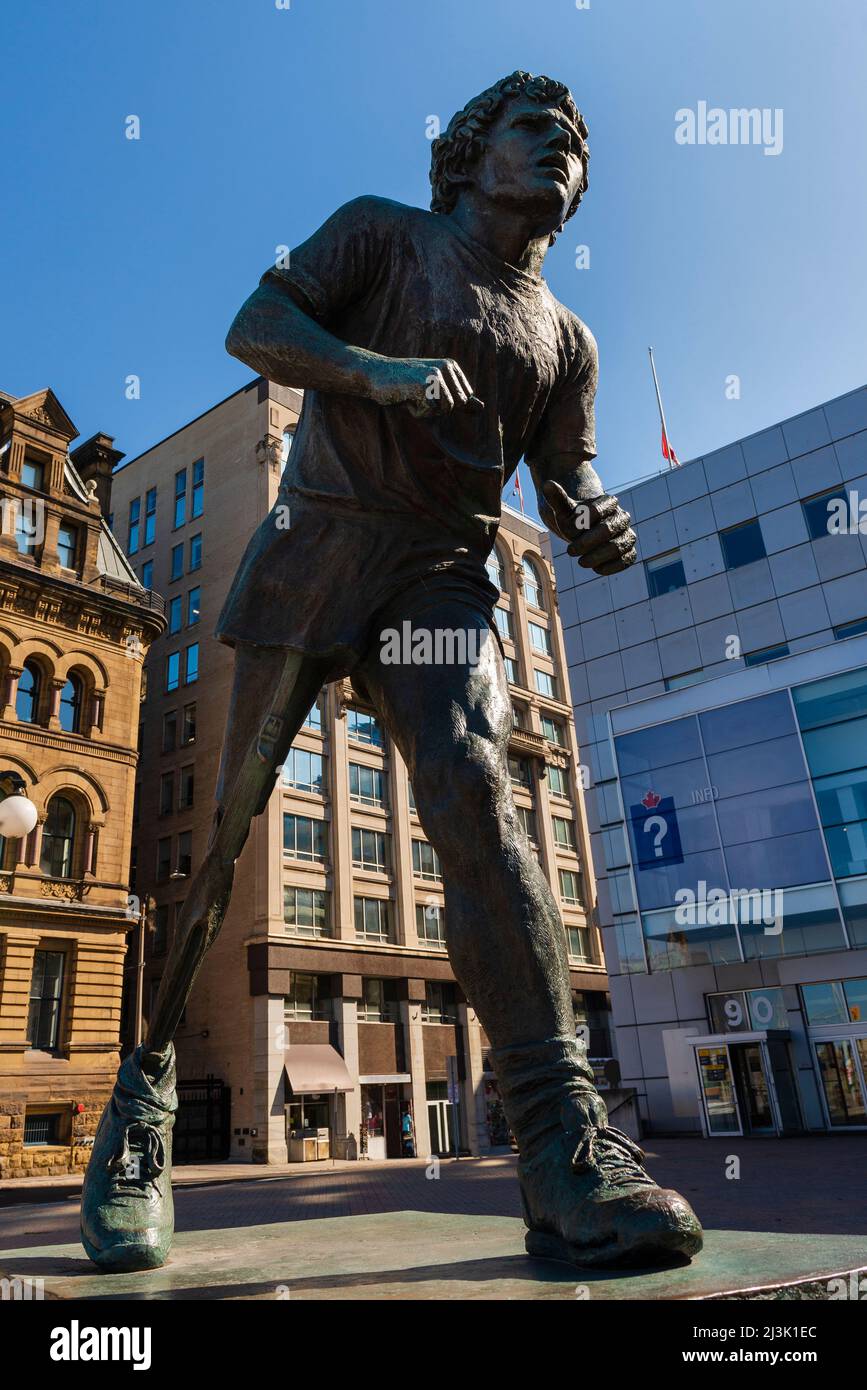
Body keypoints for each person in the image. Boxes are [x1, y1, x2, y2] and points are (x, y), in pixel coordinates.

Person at [82, 70, 702, 1272]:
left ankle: (563, 1149)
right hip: (318, 547)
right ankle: (142, 1109)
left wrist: (595, 516)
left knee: (476, 794)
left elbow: (564, 478)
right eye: (539, 132)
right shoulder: (384, 233)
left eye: (579, 146)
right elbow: (255, 327)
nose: (564, 154)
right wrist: (378, 372)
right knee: (222, 848)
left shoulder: (564, 339)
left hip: (443, 578)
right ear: (469, 155)